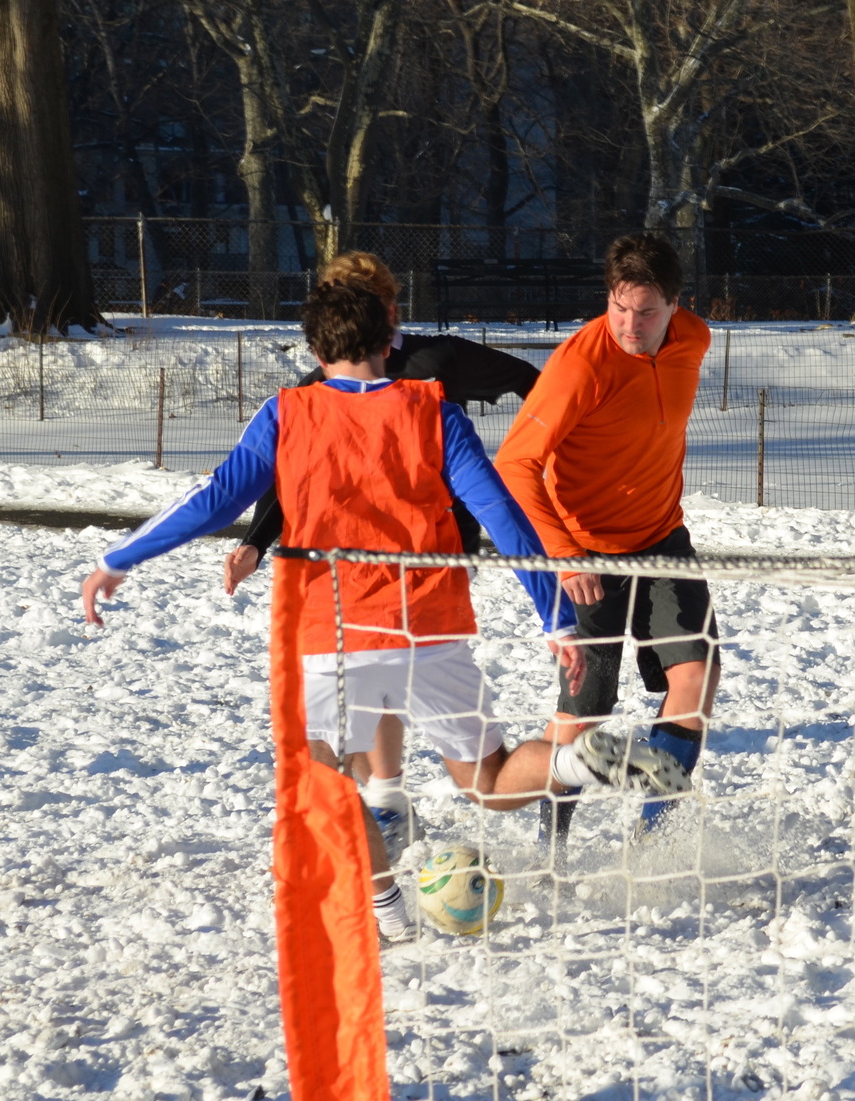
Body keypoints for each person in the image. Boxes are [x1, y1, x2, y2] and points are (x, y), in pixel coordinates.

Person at [78, 282, 685, 937]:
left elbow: (215, 498)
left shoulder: (288, 412)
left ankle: (389, 914)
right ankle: (574, 761)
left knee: (323, 777)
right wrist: (556, 618)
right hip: (432, 627)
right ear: (387, 342)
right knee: (489, 781)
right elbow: (502, 515)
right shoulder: (436, 411)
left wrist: (121, 557)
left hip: (336, 632)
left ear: (316, 350)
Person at [221, 252, 542, 839]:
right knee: (379, 673)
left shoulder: (437, 359)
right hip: (355, 563)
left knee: (376, 666)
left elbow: (529, 380)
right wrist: (256, 541)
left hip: (428, 557)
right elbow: (289, 480)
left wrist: (536, 448)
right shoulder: (316, 387)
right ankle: (388, 798)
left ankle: (384, 805)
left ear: (390, 309)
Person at [493, 233, 717, 838]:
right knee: (584, 712)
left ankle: (651, 843)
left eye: (646, 312)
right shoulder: (580, 366)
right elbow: (515, 463)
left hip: (663, 541)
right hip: (587, 554)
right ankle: (552, 850)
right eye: (619, 308)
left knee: (695, 681)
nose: (630, 325)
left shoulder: (694, 338)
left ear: (675, 306)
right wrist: (567, 557)